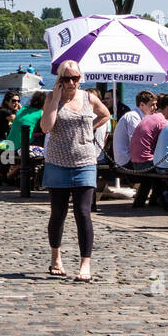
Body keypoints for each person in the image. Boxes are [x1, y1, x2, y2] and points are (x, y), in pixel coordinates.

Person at [39, 59, 109, 281]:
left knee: (83, 212)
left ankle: (85, 263)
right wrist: (57, 99)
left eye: (75, 78)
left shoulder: (89, 98)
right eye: (66, 78)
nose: (71, 82)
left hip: (85, 161)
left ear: (81, 78)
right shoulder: (51, 98)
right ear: (59, 79)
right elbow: (46, 127)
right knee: (58, 213)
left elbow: (106, 114)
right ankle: (55, 257)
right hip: (57, 162)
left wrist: (91, 128)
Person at [128, 94, 168, 207]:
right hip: (146, 164)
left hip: (136, 162)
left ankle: (156, 199)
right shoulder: (162, 122)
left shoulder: (150, 117)